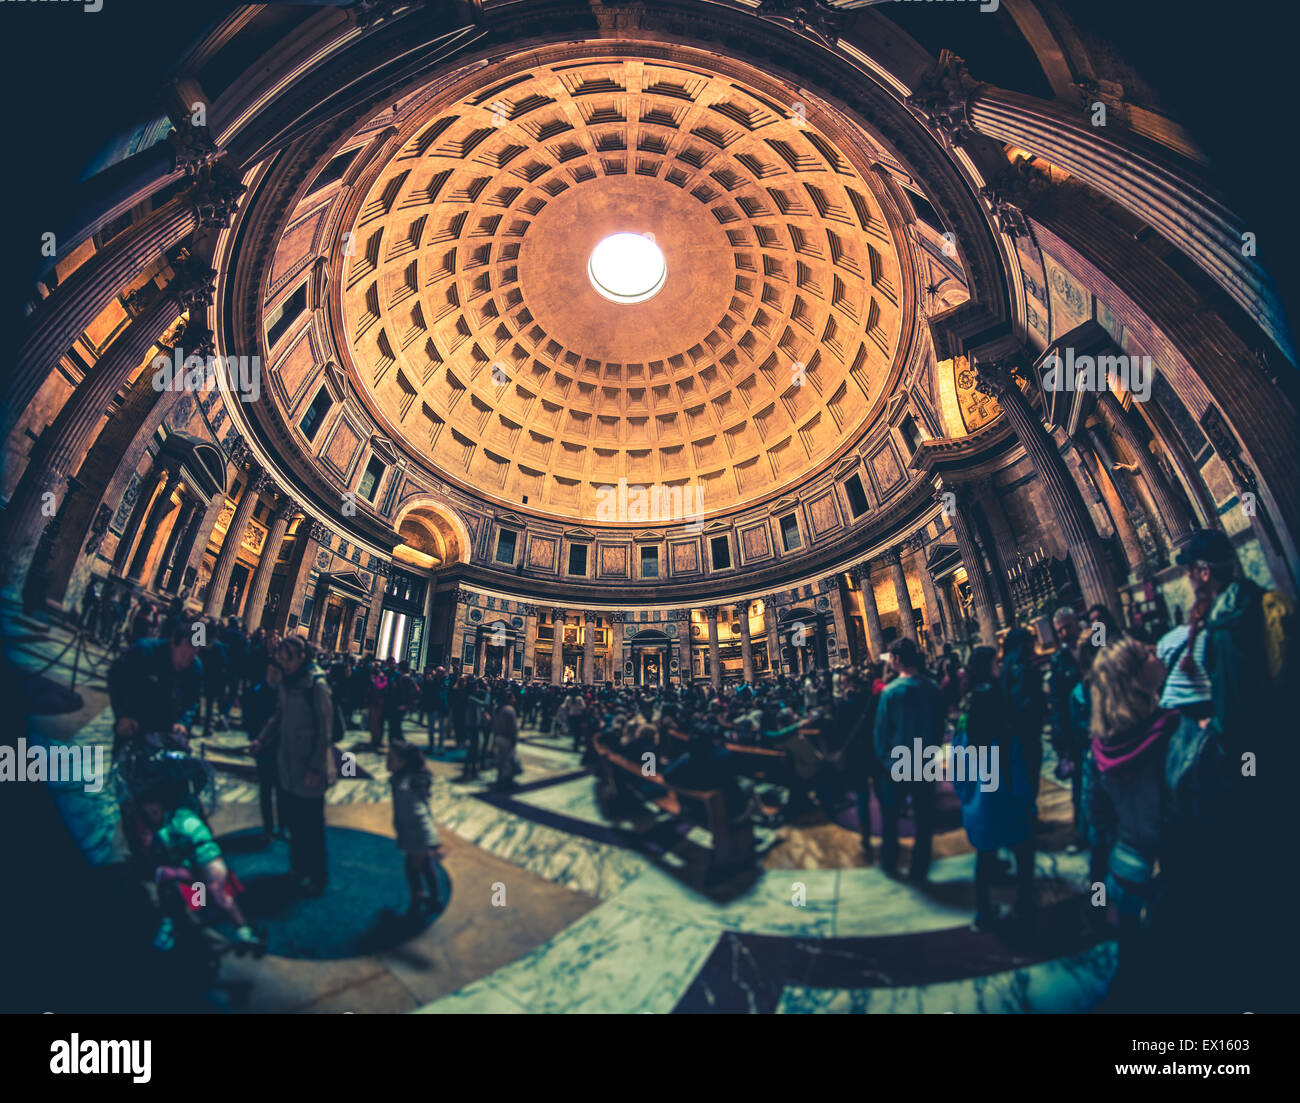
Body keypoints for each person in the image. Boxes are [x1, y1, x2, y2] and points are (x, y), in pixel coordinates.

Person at [1086, 636, 1178, 1005]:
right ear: (1136, 675)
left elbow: (1097, 816)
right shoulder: (1174, 732)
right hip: (1174, 869)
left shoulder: (1099, 747)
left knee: (1132, 963)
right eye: (1146, 654)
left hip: (1124, 868)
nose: (1156, 653)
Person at [954, 646, 1035, 931]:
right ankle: (1025, 904)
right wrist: (1025, 798)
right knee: (1024, 854)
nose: (1000, 668)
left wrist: (965, 796)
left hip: (980, 803)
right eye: (997, 663)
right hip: (1008, 800)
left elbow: (959, 763)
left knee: (984, 859)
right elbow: (1015, 763)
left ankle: (983, 914)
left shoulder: (965, 715)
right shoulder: (1002, 716)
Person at [257, 636, 336, 895]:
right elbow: (280, 715)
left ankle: (318, 876)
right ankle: (297, 868)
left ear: (301, 656)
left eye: (287, 658)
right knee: (292, 821)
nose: (283, 664)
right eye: (281, 659)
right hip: (287, 762)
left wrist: (316, 767)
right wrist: (263, 738)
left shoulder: (316, 685)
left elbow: (325, 730)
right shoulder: (287, 682)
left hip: (310, 767)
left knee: (312, 826)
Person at [872, 637, 944, 883]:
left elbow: (881, 734)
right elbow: (939, 728)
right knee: (924, 820)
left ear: (898, 659)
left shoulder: (890, 693)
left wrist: (885, 761)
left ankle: (890, 863)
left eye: (891, 657)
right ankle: (919, 869)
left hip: (896, 765)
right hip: (923, 762)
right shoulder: (932, 688)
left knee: (891, 818)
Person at [108, 621, 203, 759]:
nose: (186, 661)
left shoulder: (195, 667)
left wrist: (183, 722)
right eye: (183, 654)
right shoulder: (143, 651)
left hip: (167, 728)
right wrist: (122, 714)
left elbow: (193, 700)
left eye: (192, 655)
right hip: (134, 721)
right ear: (172, 643)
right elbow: (116, 678)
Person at [387, 741, 445, 914]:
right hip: (412, 832)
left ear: (404, 762)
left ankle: (419, 898)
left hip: (418, 833)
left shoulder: (408, 782)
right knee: (425, 865)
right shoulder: (400, 779)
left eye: (391, 759)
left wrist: (431, 839)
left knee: (412, 869)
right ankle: (434, 898)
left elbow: (421, 811)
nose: (387, 762)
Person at [999, 627, 1046, 822]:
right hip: (1025, 732)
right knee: (1029, 777)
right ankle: (1028, 819)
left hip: (1013, 733)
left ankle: (1024, 817)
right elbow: (1023, 702)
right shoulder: (1020, 668)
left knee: (1020, 778)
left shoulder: (1005, 668)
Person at [1048, 607, 1084, 839]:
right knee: (1079, 785)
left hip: (1100, 721)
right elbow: (1057, 700)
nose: (1063, 633)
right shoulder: (1059, 659)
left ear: (1076, 624)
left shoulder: (1092, 646)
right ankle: (1082, 832)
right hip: (1074, 728)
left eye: (1067, 627)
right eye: (1059, 630)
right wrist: (1060, 737)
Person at [243, 659, 283, 841]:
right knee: (265, 788)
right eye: (273, 672)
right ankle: (268, 827)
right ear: (268, 670)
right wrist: (254, 738)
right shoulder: (256, 691)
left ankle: (282, 826)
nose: (275, 676)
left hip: (280, 747)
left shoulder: (284, 693)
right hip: (262, 747)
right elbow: (249, 717)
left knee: (281, 790)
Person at [489, 690, 520, 790]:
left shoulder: (497, 708)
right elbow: (513, 728)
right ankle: (505, 781)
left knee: (500, 760)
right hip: (507, 738)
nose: (514, 699)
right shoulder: (509, 710)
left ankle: (500, 778)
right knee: (507, 761)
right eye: (513, 697)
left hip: (498, 737)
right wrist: (514, 740)